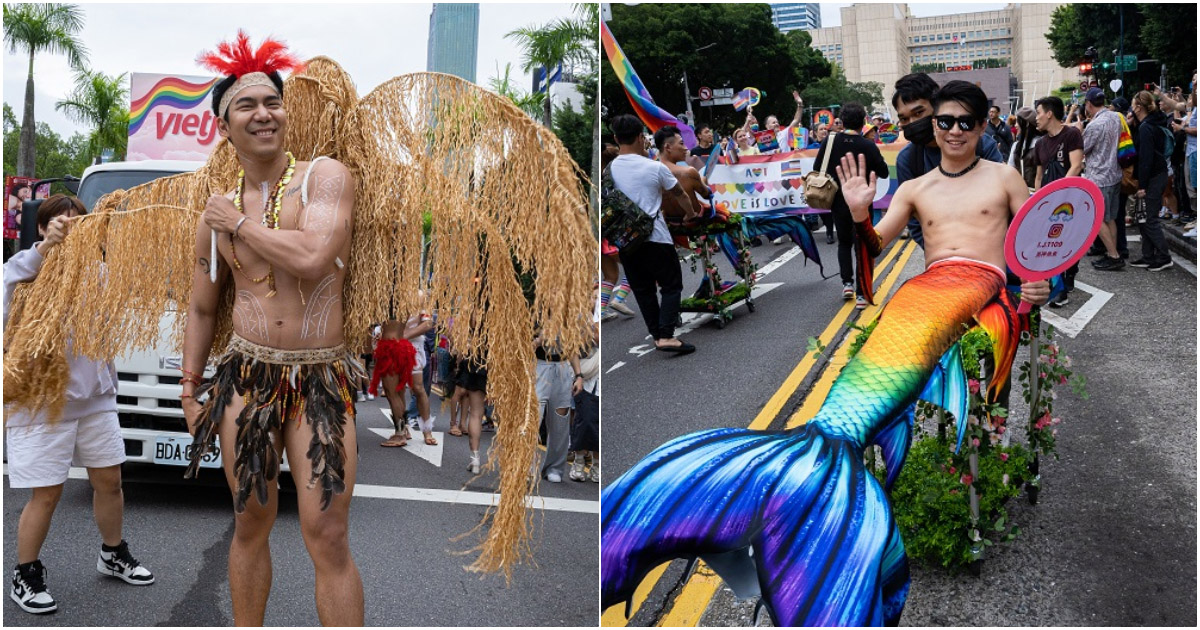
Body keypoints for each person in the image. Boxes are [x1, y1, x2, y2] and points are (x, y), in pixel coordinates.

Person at [181, 33, 363, 625]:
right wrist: (189, 387)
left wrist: (237, 223)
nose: (263, 114)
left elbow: (312, 257)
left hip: (321, 380)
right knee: (250, 521)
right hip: (247, 378)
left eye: (272, 102)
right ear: (223, 126)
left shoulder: (324, 178)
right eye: (246, 105)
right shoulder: (215, 209)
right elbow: (203, 306)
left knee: (327, 534)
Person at [4, 195, 156, 615]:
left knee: (110, 481)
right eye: (59, 221)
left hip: (95, 399)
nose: (69, 227)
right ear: (41, 227)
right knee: (47, 495)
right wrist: (44, 250)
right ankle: (25, 574)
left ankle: (113, 553)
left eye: (78, 221)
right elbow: (8, 291)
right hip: (41, 403)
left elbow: (133, 293)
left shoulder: (99, 273)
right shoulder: (23, 272)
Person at [606, 114, 696, 354]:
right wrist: (689, 215)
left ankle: (657, 335)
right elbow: (680, 195)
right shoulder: (654, 167)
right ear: (640, 137)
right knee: (671, 284)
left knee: (643, 289)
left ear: (616, 138)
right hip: (655, 237)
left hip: (625, 241)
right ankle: (666, 336)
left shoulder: (609, 170)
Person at [893, 73, 1005, 245]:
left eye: (919, 112)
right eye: (904, 118)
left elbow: (1008, 211)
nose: (913, 122)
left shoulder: (983, 146)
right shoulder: (907, 160)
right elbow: (914, 223)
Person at [812, 102, 889, 309]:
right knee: (863, 245)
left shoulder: (829, 141)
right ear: (864, 121)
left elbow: (817, 168)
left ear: (842, 121)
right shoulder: (867, 145)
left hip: (837, 200)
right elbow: (884, 172)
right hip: (862, 203)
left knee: (844, 242)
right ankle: (863, 294)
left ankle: (847, 284)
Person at [1032, 95, 1084, 305]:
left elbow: (1076, 165)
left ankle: (1070, 273)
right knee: (1052, 241)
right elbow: (1038, 175)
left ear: (1049, 113)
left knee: (1070, 239)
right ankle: (1059, 285)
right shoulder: (1040, 144)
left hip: (1069, 198)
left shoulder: (1071, 134)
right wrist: (1039, 200)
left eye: (1038, 113)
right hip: (1048, 200)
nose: (1036, 118)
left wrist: (1059, 194)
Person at [1077, 88, 1126, 271]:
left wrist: (1079, 130)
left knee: (1098, 219)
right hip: (1115, 173)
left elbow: (1083, 148)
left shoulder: (1094, 126)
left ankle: (1113, 256)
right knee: (1110, 218)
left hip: (1099, 176)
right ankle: (1113, 253)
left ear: (1089, 104)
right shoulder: (1115, 117)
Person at [1127, 90, 1175, 271]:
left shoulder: (1146, 127)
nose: (1131, 108)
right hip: (1157, 173)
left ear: (1138, 107)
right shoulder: (1150, 123)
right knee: (1143, 217)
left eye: (1133, 105)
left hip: (1154, 176)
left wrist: (1142, 185)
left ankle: (1164, 257)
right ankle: (1148, 256)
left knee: (1149, 218)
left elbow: (1145, 158)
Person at [534, 332, 583, 483]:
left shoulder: (567, 316)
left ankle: (554, 467)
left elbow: (572, 347)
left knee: (560, 421)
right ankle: (527, 463)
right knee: (533, 417)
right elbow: (519, 348)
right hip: (538, 366)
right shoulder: (534, 313)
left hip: (562, 368)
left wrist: (579, 375)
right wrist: (538, 340)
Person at [655, 125, 712, 219]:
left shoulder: (650, 174)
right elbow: (707, 195)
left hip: (669, 230)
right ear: (668, 147)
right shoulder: (688, 172)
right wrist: (703, 180)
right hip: (696, 227)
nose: (686, 148)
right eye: (681, 143)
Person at [1008, 106, 1043, 190]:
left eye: (1018, 122)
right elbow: (1011, 168)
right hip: (1019, 191)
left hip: (1037, 191)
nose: (1015, 125)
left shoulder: (1040, 143)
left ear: (1026, 124)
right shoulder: (1016, 145)